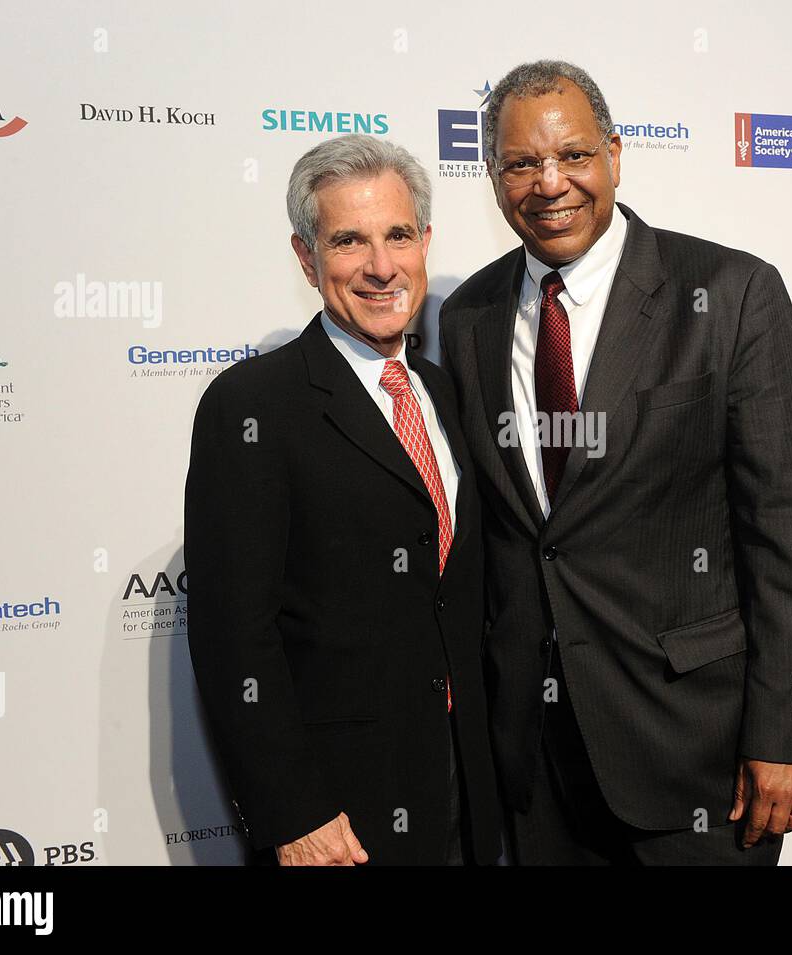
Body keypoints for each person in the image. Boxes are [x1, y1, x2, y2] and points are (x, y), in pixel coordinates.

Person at [438, 60, 792, 865]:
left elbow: (788, 531)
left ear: (616, 154)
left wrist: (789, 733)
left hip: (699, 755)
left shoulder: (729, 294)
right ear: (492, 175)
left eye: (574, 155)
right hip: (537, 762)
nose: (550, 184)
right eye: (520, 163)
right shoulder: (467, 317)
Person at [185, 134, 501, 866]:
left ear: (425, 240)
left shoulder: (446, 392)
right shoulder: (253, 404)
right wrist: (291, 811)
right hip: (338, 816)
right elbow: (235, 636)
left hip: (464, 793)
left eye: (397, 235)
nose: (380, 266)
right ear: (307, 257)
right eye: (348, 240)